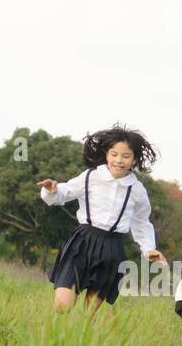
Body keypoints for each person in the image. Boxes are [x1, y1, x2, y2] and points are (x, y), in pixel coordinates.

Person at [36, 124, 167, 314]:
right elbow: (65, 192)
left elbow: (141, 222)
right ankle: (56, 339)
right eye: (114, 154)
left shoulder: (136, 189)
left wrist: (148, 249)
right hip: (81, 243)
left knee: (89, 315)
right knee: (62, 306)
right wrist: (52, 190)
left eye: (125, 156)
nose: (118, 160)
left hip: (111, 249)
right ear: (107, 154)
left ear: (134, 159)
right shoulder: (90, 176)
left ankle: (82, 342)